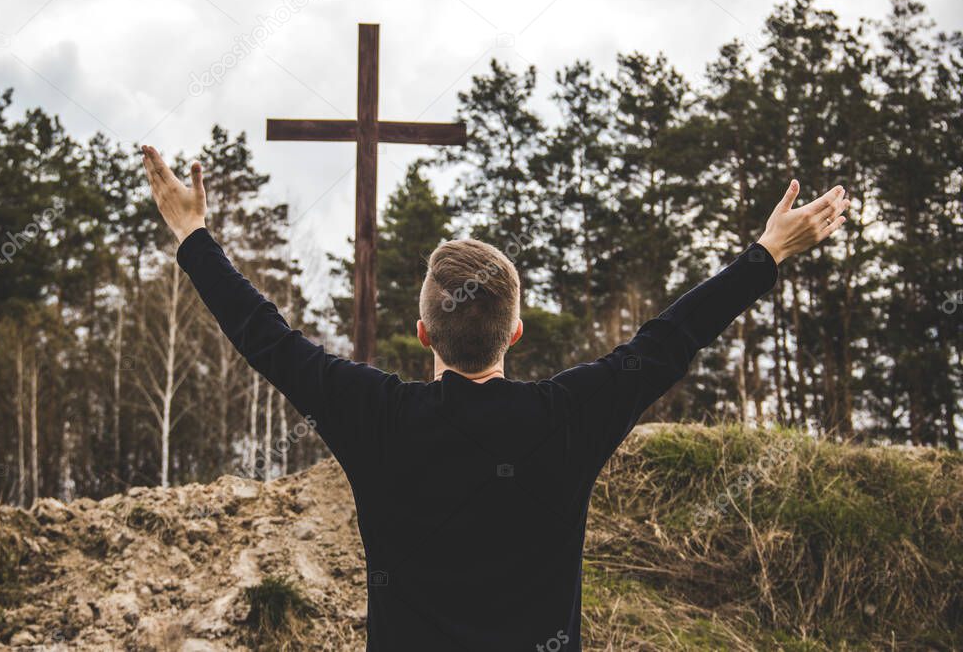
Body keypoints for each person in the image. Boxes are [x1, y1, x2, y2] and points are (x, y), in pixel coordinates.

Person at [140, 144, 849, 651]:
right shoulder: (567, 418)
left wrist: (193, 233)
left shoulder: (376, 417)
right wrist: (766, 254)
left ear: (422, 332)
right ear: (515, 330)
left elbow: (267, 339)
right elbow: (669, 341)